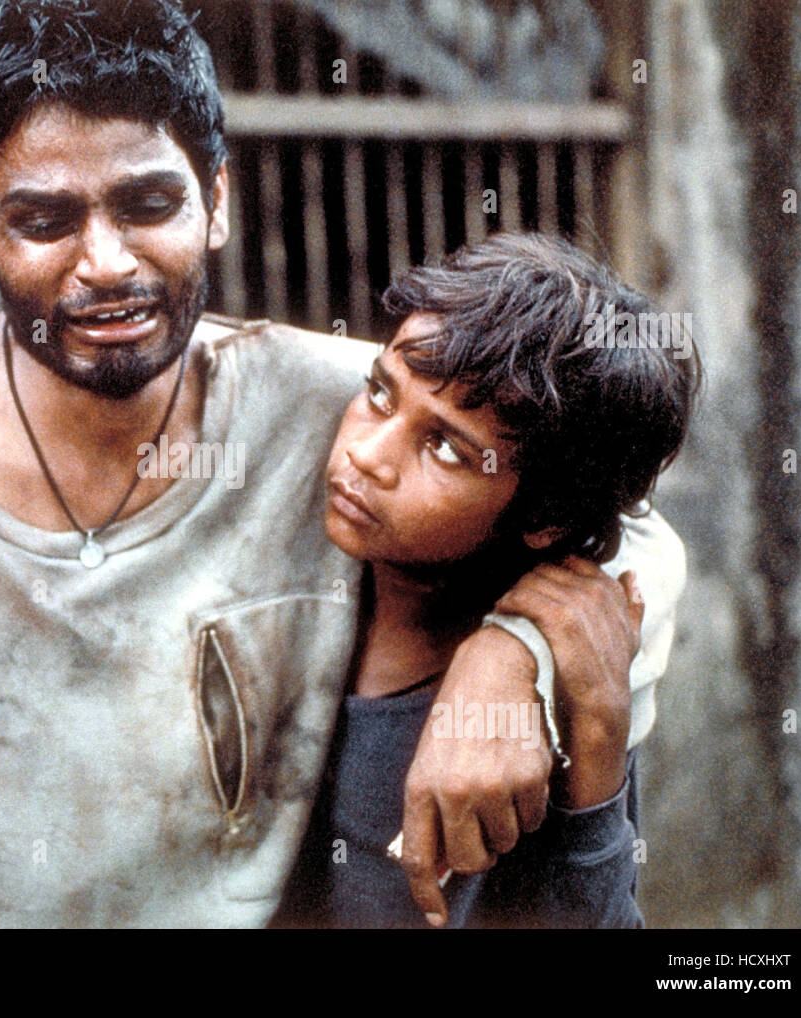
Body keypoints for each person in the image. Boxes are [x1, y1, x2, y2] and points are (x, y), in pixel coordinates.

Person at [0, 0, 685, 927]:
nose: (106, 262)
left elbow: (622, 527)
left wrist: (511, 656)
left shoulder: (340, 411)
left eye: (147, 204)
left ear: (215, 201)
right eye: (43, 219)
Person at [276, 233, 697, 927]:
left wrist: (594, 756)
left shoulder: (550, 700)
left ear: (547, 514)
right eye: (379, 393)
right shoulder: (297, 581)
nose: (367, 454)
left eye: (445, 448)